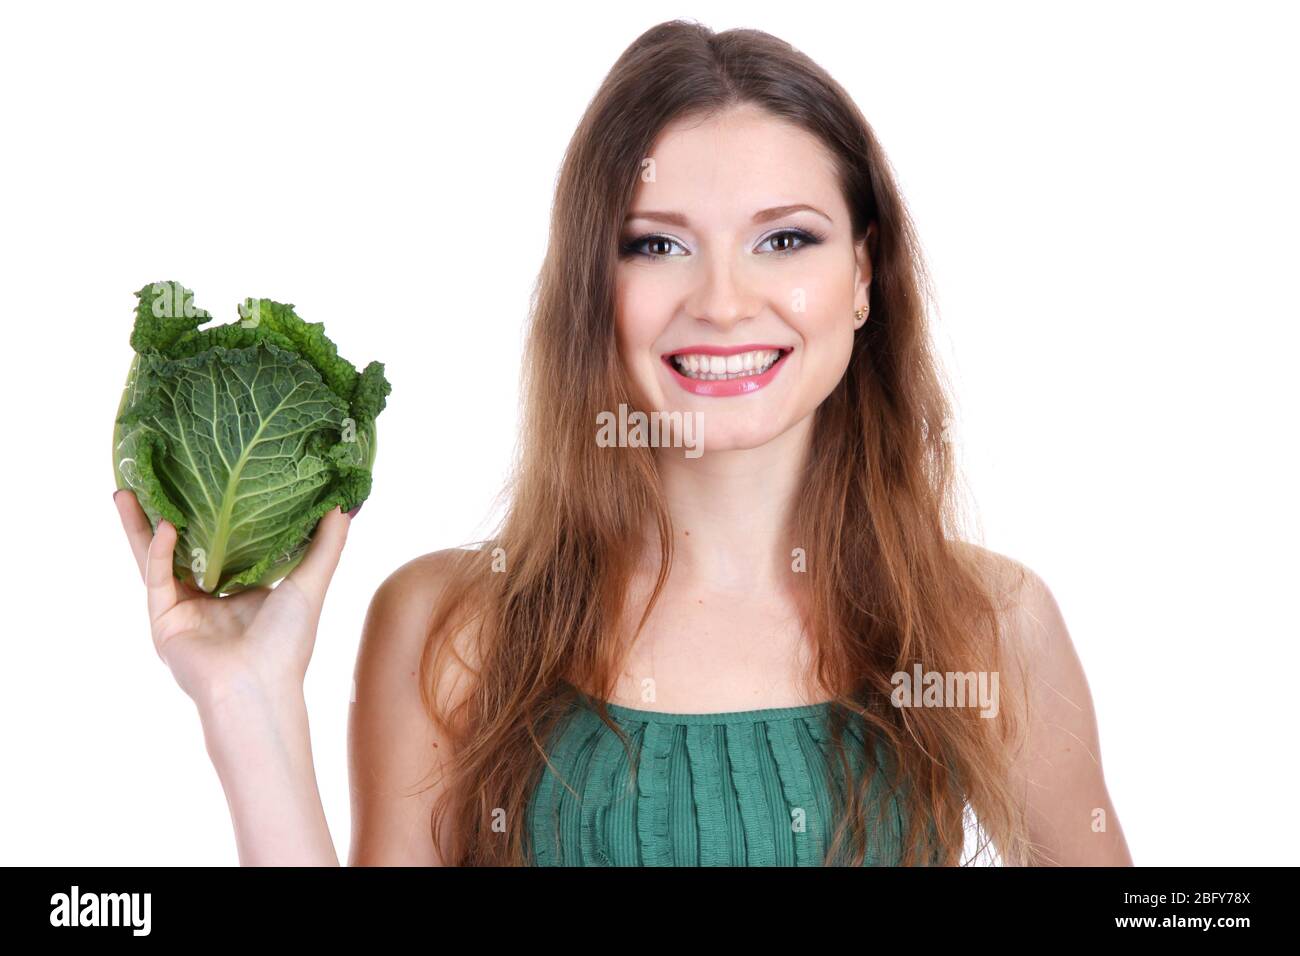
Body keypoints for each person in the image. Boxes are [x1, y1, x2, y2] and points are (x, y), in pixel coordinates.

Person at [114, 19, 1131, 867]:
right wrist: (245, 703)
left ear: (863, 274)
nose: (724, 302)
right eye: (655, 243)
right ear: (591, 289)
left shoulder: (988, 628)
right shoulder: (445, 628)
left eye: (785, 238)